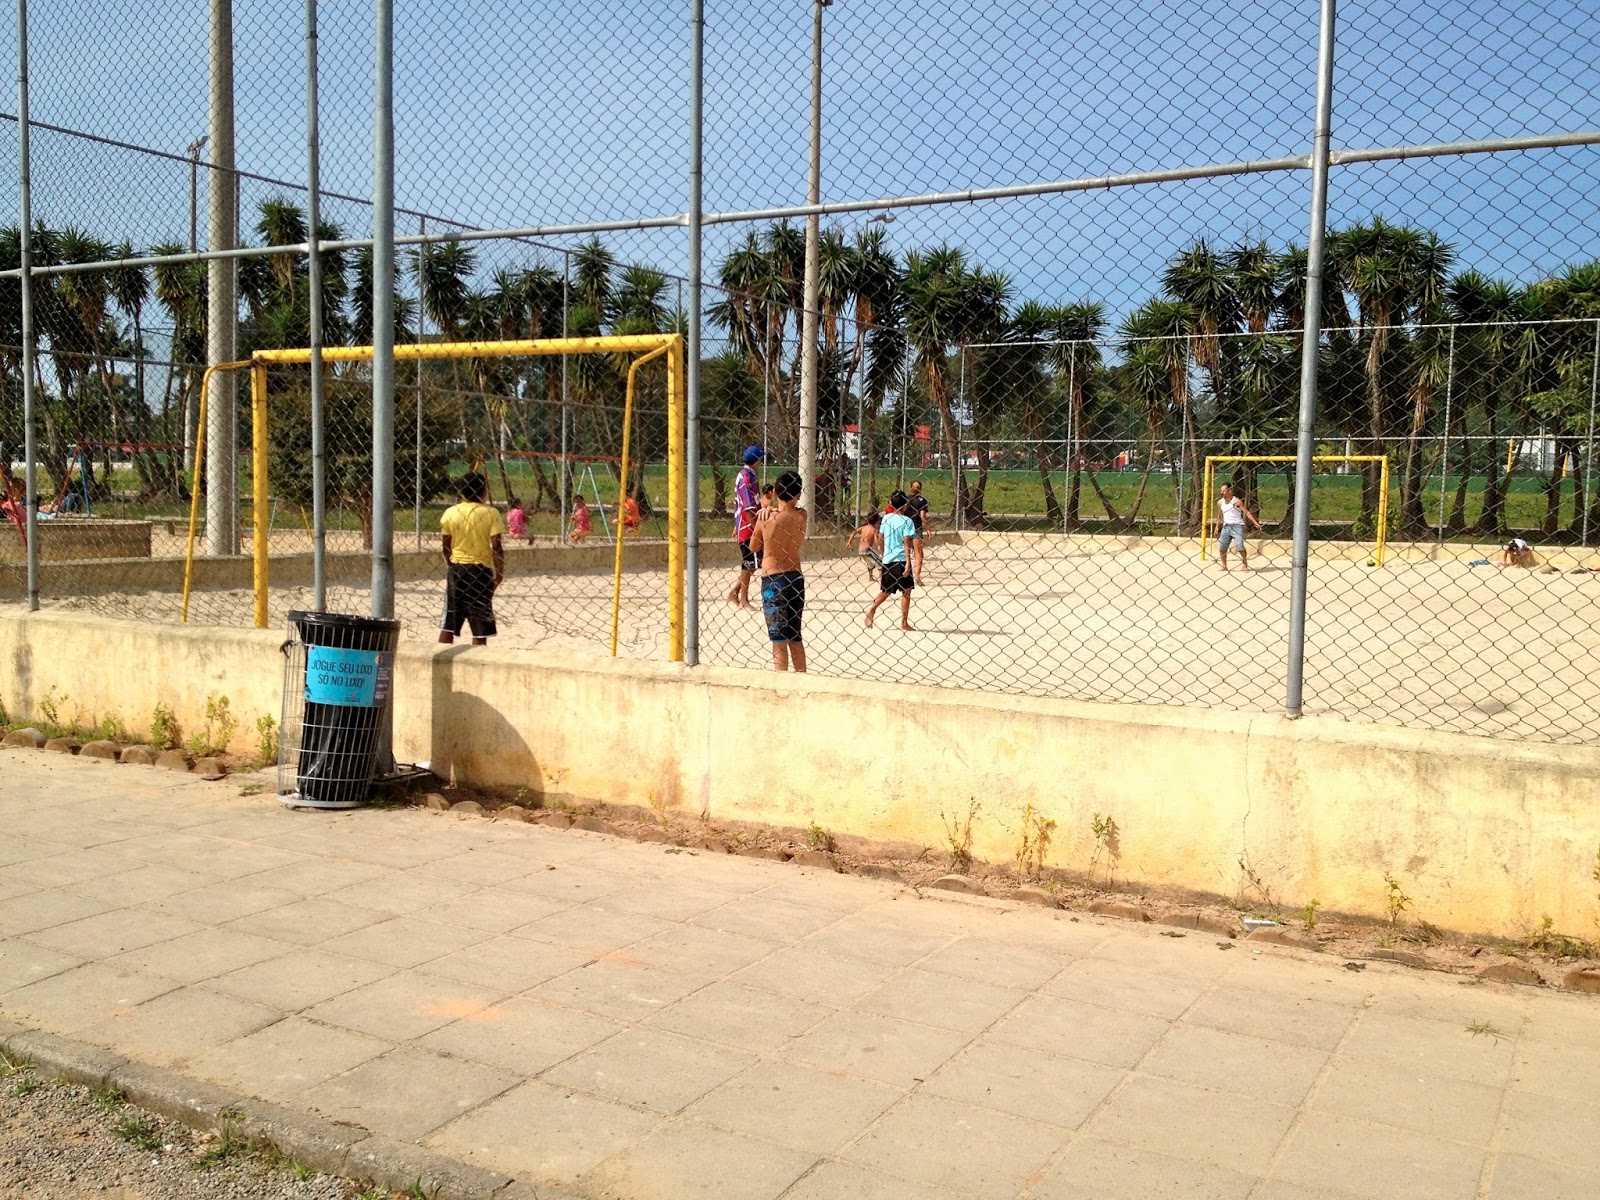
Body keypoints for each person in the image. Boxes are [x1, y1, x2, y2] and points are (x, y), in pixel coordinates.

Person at [439, 471, 506, 646]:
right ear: (483, 491)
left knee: (449, 621)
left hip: (457, 568)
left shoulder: (450, 513)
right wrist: (499, 573)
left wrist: (451, 564)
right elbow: (497, 546)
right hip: (480, 570)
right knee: (480, 624)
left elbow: (446, 545)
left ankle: (441, 656)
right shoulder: (491, 513)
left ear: (462, 491)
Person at [750, 470, 808, 672]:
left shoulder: (766, 518)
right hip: (796, 577)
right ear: (798, 494)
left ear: (774, 491)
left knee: (778, 639)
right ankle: (802, 678)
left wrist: (765, 513)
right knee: (795, 636)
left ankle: (781, 681)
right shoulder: (802, 516)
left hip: (773, 578)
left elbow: (753, 546)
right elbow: (790, 511)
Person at [865, 490, 917, 631]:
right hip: (901, 559)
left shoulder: (886, 519)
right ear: (905, 505)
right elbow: (907, 542)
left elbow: (880, 539)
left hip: (888, 559)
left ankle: (872, 609)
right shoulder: (907, 521)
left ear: (891, 504)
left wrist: (883, 554)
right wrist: (908, 562)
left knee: (886, 590)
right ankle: (904, 622)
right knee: (906, 591)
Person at [727, 445, 765, 610]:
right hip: (748, 526)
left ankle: (735, 591)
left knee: (756, 562)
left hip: (744, 524)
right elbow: (748, 509)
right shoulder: (747, 478)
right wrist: (757, 530)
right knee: (749, 562)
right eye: (760, 458)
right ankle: (743, 600)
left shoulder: (747, 475)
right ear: (756, 460)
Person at [1214, 481, 1262, 572]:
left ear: (1230, 491)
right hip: (1226, 526)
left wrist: (1255, 523)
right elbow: (1220, 516)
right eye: (1221, 491)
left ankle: (1245, 563)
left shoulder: (1236, 501)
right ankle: (1224, 565)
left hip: (1237, 526)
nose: (1222, 493)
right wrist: (1217, 527)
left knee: (1240, 546)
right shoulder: (1220, 502)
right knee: (1222, 548)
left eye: (1224, 491)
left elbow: (1246, 512)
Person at [903, 478, 930, 585]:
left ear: (911, 488)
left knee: (906, 553)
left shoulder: (905, 499)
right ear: (920, 489)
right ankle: (917, 576)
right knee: (918, 554)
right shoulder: (922, 500)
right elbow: (923, 516)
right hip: (916, 527)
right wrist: (928, 528)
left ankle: (906, 573)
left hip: (905, 527)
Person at [848, 511, 883, 581]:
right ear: (877, 522)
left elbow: (854, 532)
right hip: (867, 550)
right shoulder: (874, 530)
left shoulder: (863, 528)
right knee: (880, 563)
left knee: (870, 563)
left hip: (860, 550)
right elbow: (876, 541)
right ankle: (881, 578)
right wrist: (880, 539)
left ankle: (870, 577)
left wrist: (849, 542)